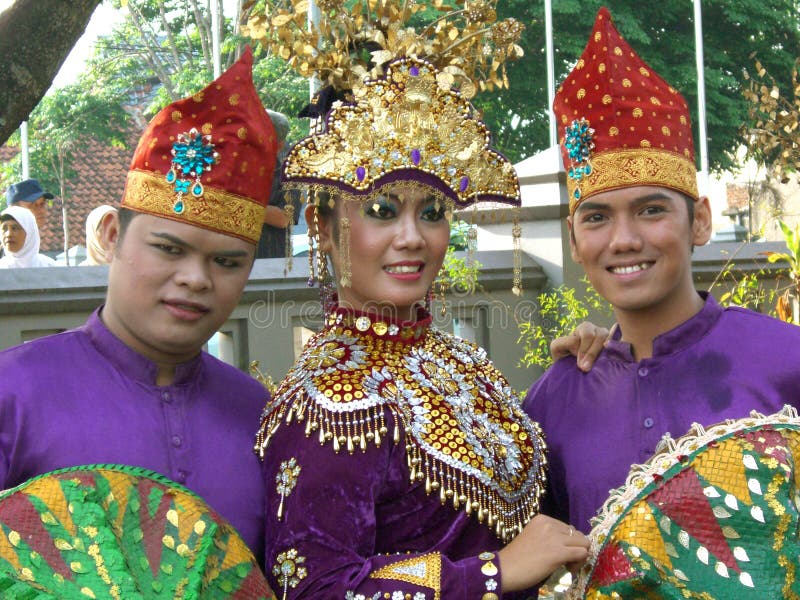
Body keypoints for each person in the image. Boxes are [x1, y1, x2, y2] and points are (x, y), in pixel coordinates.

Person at [250, 9, 589, 598]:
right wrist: (494, 573)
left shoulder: (466, 365)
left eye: (431, 212)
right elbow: (319, 588)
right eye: (382, 210)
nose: (413, 238)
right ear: (324, 229)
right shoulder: (330, 403)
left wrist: (582, 372)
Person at [524, 6, 800, 537]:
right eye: (598, 217)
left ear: (699, 221)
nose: (625, 239)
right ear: (575, 240)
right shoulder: (556, 401)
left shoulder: (786, 361)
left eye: (651, 210)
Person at [0, 48, 278, 563]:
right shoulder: (13, 394)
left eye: (226, 261)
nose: (195, 278)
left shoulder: (261, 419)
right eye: (169, 249)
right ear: (111, 235)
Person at [255, 109, 302, 260]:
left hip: (271, 262)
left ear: (279, 145)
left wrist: (239, 205)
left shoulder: (291, 175)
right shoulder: (234, 170)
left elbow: (284, 217)